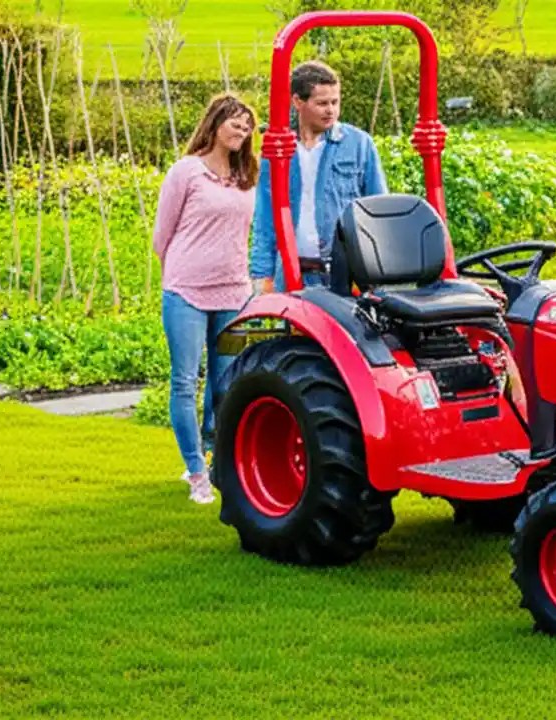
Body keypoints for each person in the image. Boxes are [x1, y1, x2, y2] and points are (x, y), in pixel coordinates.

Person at [152, 93, 259, 505]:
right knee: (185, 380)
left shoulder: (247, 176)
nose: (242, 130)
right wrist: (176, 275)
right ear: (215, 124)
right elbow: (163, 235)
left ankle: (217, 458)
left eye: (247, 125)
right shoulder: (187, 172)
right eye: (235, 122)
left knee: (227, 383)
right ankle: (196, 469)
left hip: (234, 291)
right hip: (186, 292)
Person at [250, 60, 387, 293]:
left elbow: (378, 209)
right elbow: (265, 216)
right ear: (298, 102)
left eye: (335, 102)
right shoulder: (276, 150)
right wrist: (262, 274)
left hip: (346, 274)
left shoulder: (359, 144)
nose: (331, 110)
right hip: (293, 273)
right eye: (322, 103)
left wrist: (377, 268)